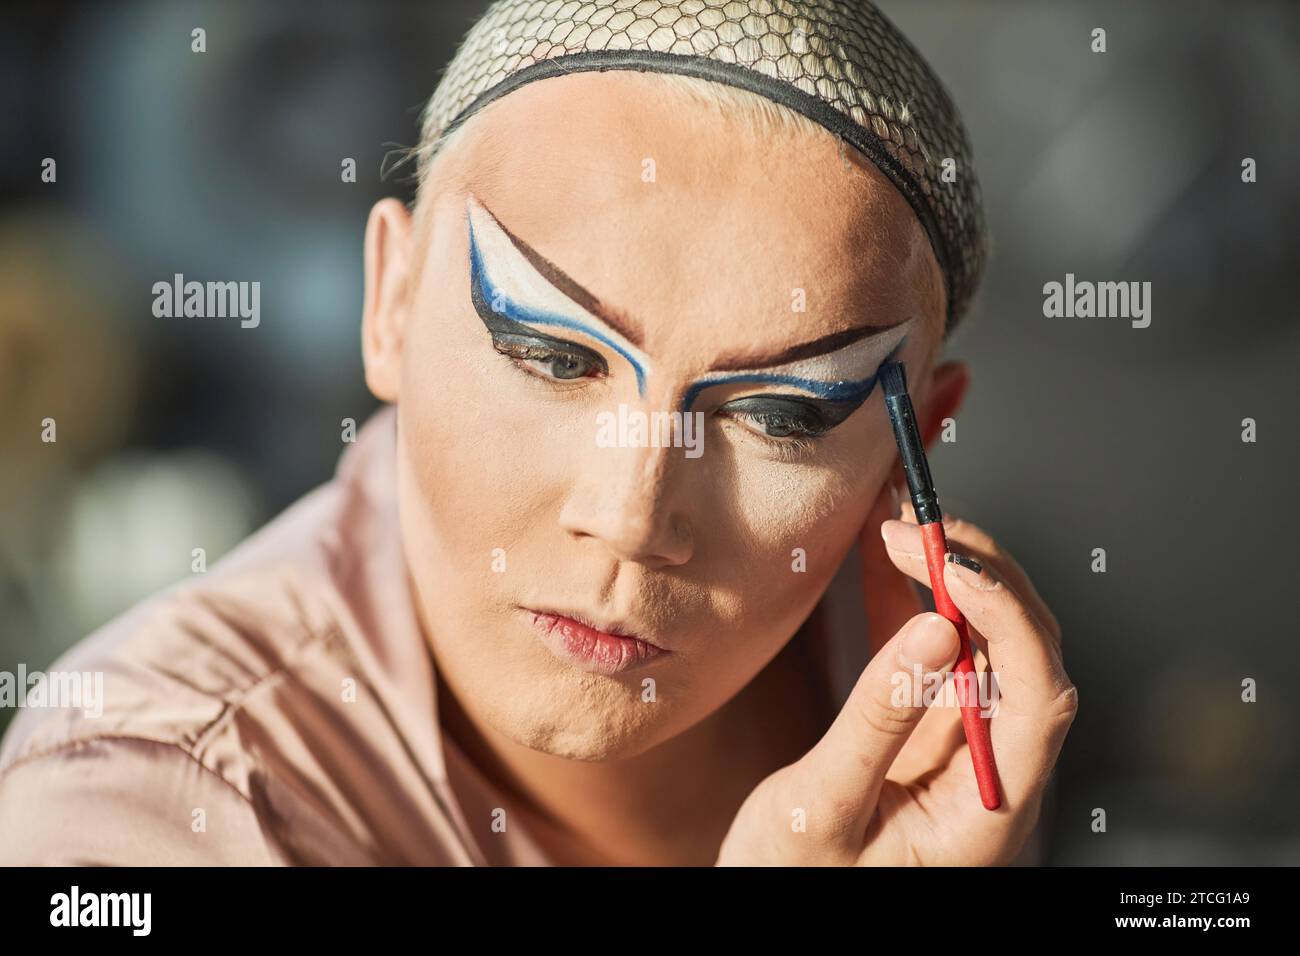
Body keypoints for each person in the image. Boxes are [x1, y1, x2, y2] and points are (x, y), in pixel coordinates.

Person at [0, 0, 1074, 866]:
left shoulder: (935, 715)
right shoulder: (139, 799)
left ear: (914, 442)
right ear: (391, 300)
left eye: (781, 414)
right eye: (554, 356)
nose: (632, 517)